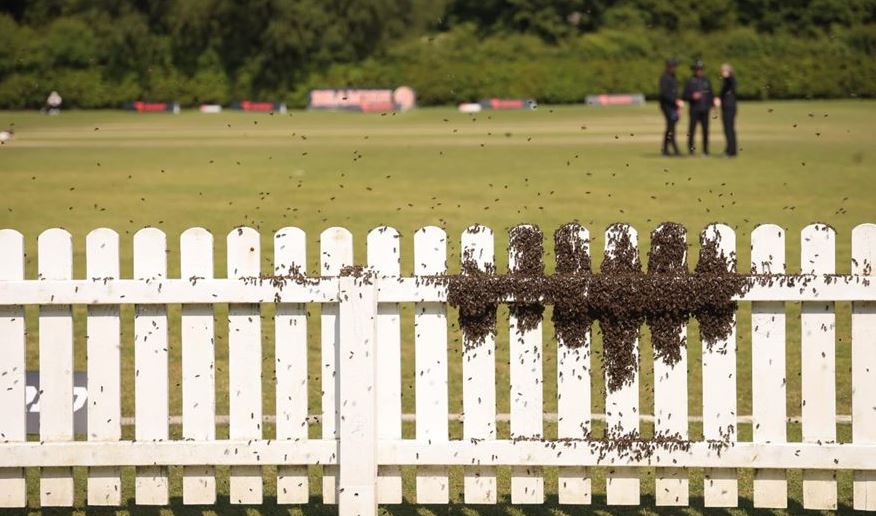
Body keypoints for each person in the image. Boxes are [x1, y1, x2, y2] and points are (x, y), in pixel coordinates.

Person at [682, 60, 714, 155]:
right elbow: (684, 95)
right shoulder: (690, 81)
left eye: (700, 69)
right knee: (692, 130)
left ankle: (705, 150)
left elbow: (710, 94)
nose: (699, 71)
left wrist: (712, 105)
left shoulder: (706, 81)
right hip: (694, 109)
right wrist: (692, 96)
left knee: (705, 131)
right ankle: (691, 150)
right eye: (697, 69)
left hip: (704, 109)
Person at [658, 58, 682, 156]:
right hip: (667, 106)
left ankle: (666, 149)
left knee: (670, 128)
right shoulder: (664, 78)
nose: (674, 68)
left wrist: (677, 104)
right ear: (668, 67)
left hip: (673, 106)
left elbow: (675, 92)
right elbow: (664, 94)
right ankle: (673, 150)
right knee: (670, 128)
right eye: (672, 66)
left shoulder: (673, 77)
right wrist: (675, 101)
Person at [717, 63, 737, 157]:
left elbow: (729, 83)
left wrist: (727, 76)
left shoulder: (730, 80)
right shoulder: (726, 81)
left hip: (729, 107)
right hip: (727, 107)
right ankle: (730, 149)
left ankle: (730, 151)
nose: (722, 72)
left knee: (729, 129)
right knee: (728, 129)